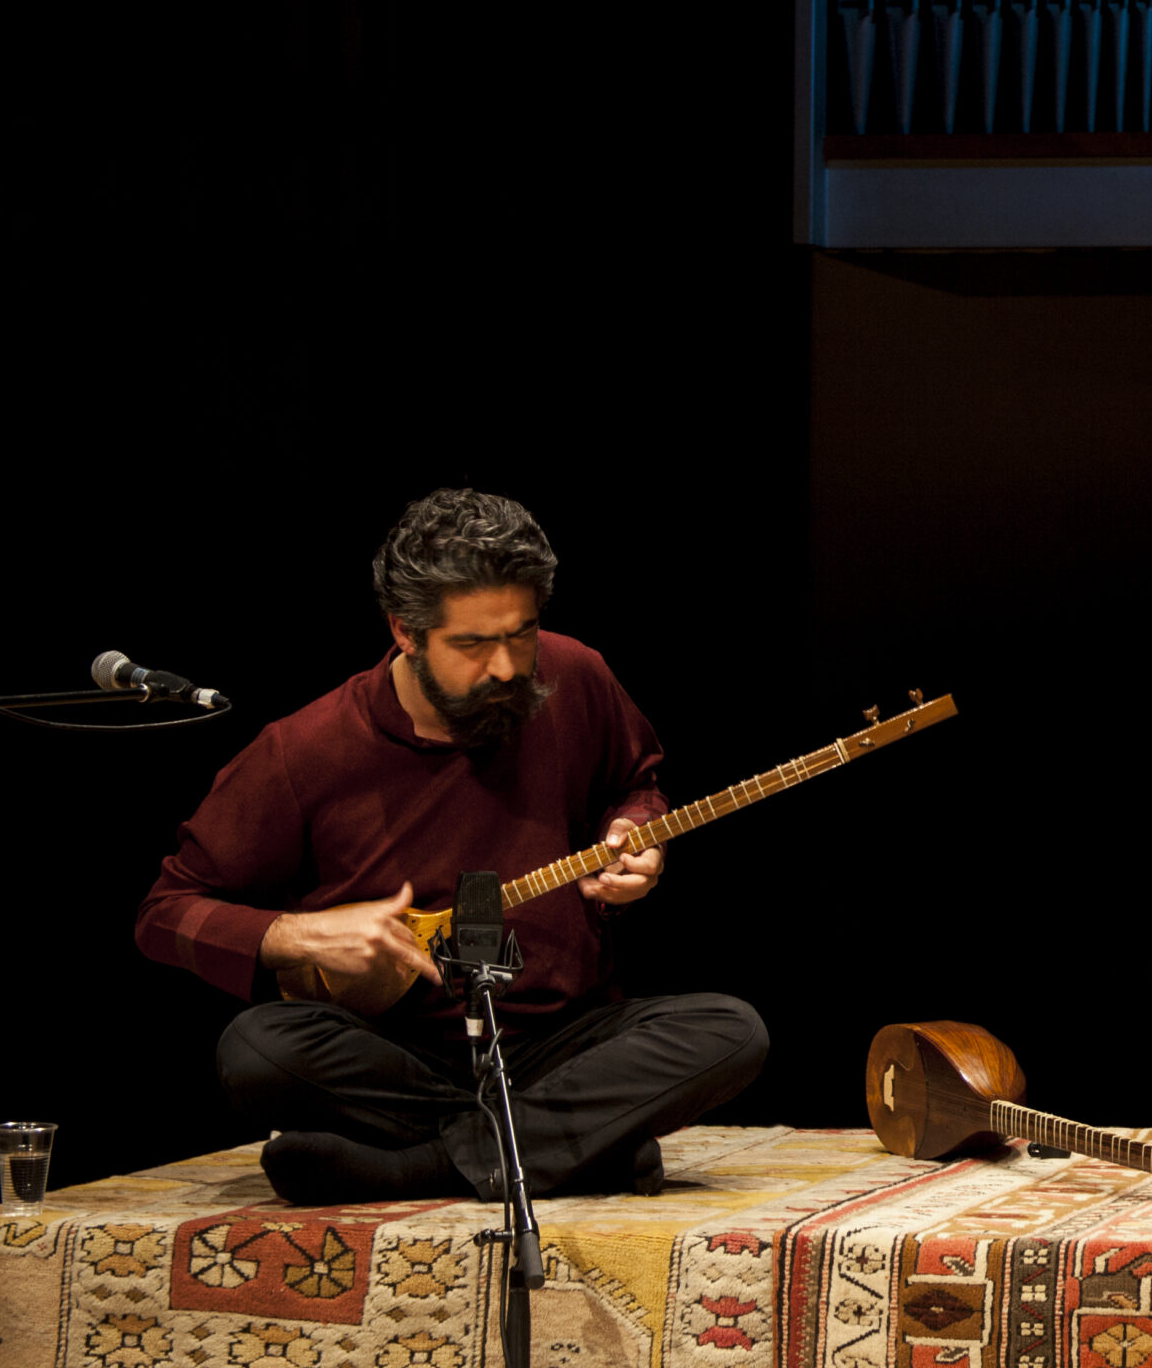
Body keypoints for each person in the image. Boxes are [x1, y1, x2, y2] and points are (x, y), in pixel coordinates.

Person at [136, 488, 769, 1206]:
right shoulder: (304, 750)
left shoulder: (576, 675)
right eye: (472, 644)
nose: (506, 666)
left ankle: (416, 1167)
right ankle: (575, 1148)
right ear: (405, 631)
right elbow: (166, 912)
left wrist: (632, 834)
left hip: (558, 1041)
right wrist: (294, 935)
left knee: (730, 1030)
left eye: (521, 634)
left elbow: (636, 781)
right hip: (397, 1055)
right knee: (256, 1049)